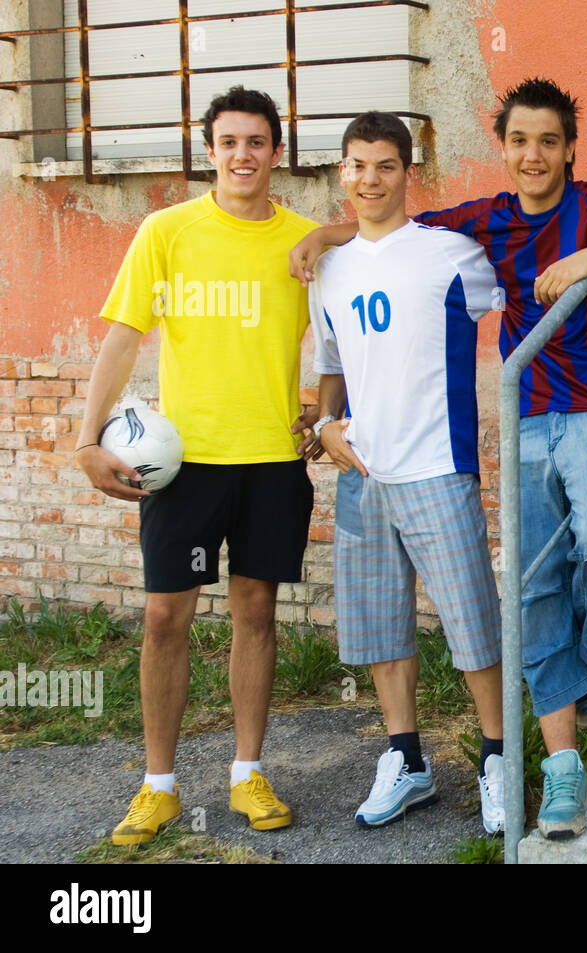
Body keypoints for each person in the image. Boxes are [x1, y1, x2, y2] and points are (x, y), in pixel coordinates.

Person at [291, 78, 587, 839]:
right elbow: (392, 229)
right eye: (519, 141)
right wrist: (325, 234)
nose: (533, 155)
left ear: (570, 149)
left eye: (548, 141)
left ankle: (582, 670)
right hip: (527, 415)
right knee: (535, 585)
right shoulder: (483, 223)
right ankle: (561, 763)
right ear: (503, 149)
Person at [75, 87, 320, 844]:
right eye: (229, 142)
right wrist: (87, 440)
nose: (243, 155)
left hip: (273, 458)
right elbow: (123, 337)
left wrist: (326, 409)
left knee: (255, 612)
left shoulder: (306, 242)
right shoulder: (167, 231)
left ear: (277, 151)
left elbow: (347, 333)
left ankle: (247, 772)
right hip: (185, 465)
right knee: (163, 618)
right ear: (209, 150)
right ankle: (158, 787)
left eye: (257, 142)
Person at [308, 111, 506, 832]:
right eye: (358, 165)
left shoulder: (452, 253)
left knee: (472, 623)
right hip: (363, 473)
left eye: (385, 165)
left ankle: (497, 758)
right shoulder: (326, 269)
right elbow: (331, 365)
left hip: (437, 466)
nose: (371, 179)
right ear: (342, 172)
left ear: (407, 172)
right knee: (380, 628)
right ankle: (407, 760)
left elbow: (525, 273)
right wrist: (325, 424)